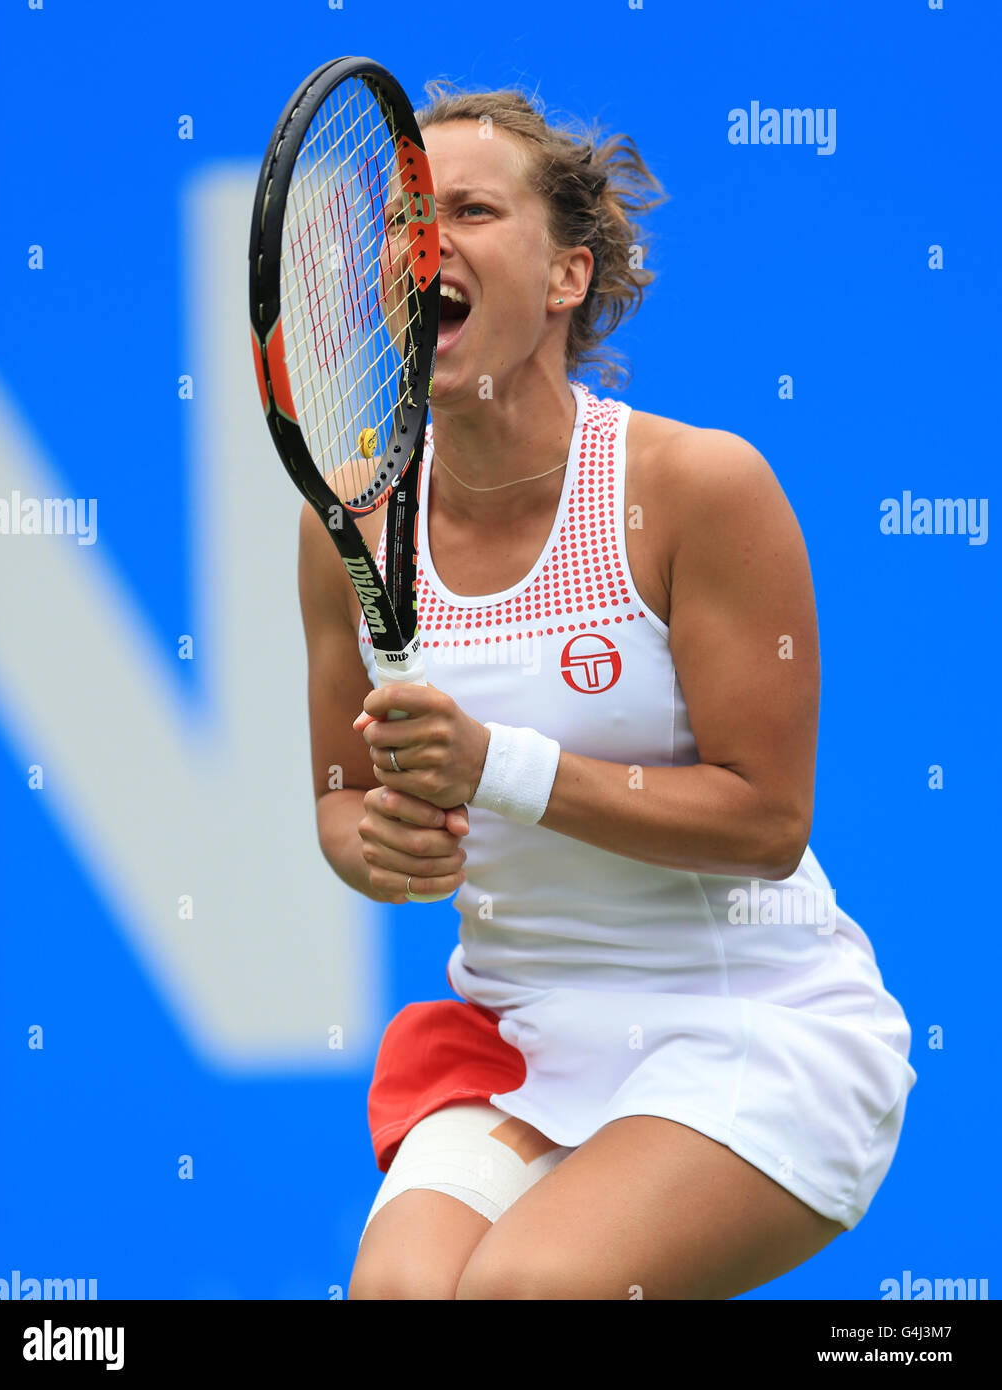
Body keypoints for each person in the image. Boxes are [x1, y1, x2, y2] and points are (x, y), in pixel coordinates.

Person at [298, 80, 917, 1300]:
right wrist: (387, 843)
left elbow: (766, 822)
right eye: (404, 215)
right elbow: (337, 802)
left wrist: (498, 770)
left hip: (753, 1022)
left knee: (530, 1293)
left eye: (470, 208)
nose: (425, 240)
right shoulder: (347, 528)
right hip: (524, 1038)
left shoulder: (698, 486)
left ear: (569, 277)